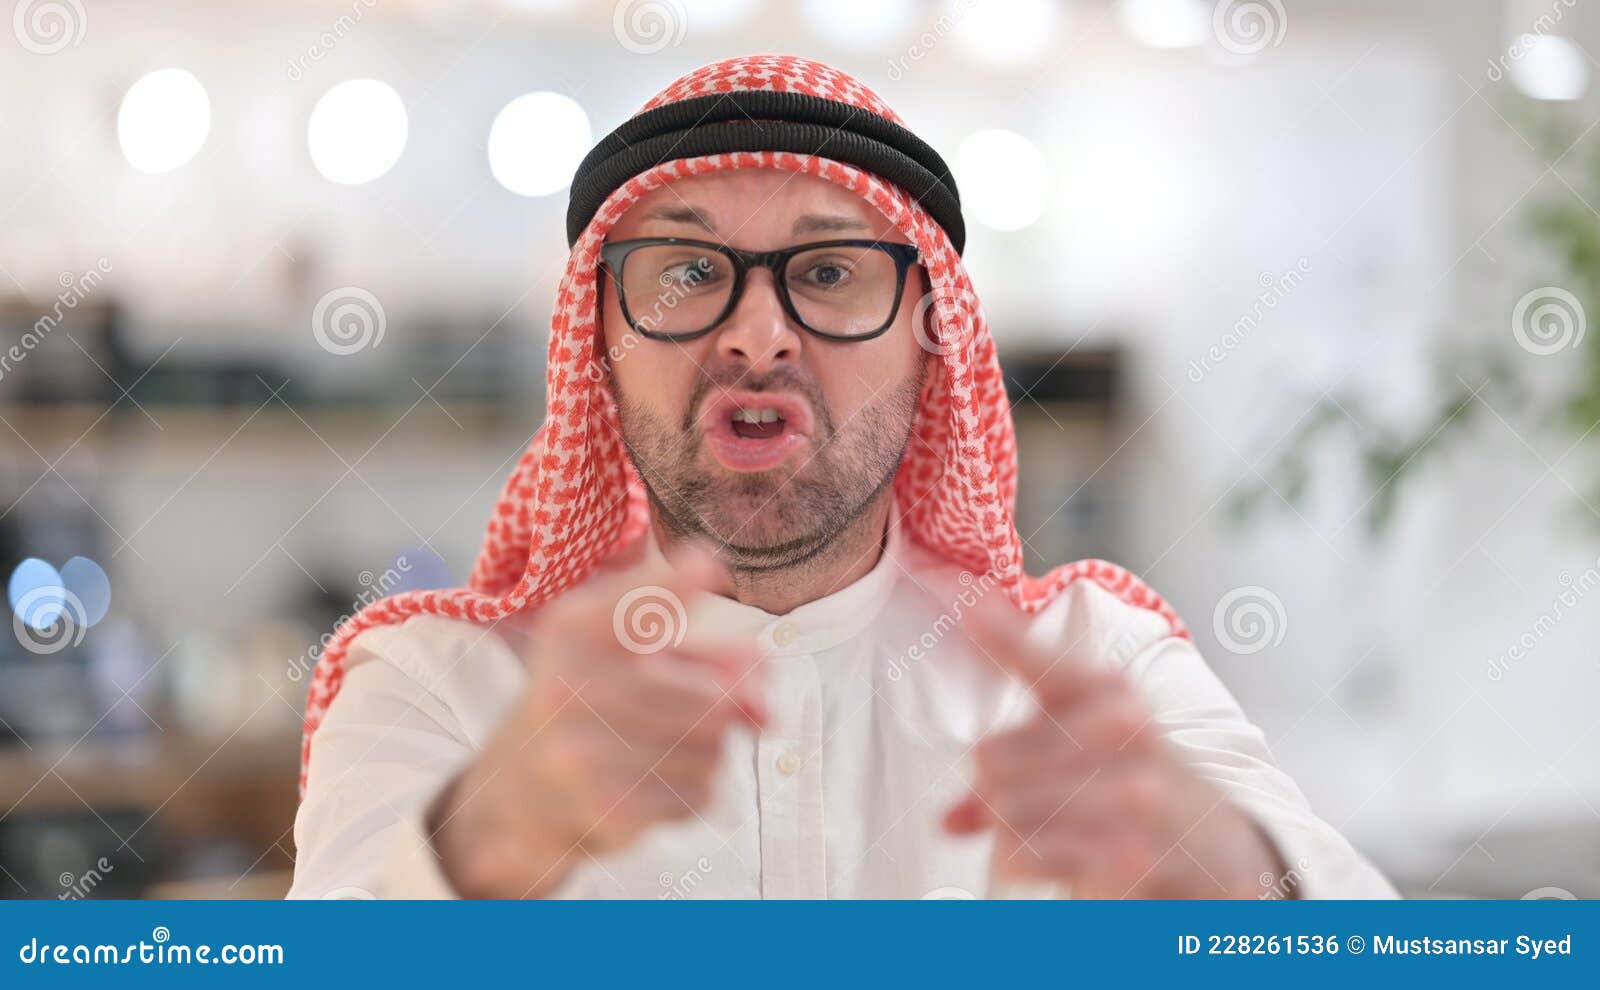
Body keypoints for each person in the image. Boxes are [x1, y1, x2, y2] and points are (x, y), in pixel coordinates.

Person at [289, 55, 1395, 900]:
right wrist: (479, 847)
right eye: (684, 272)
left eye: (826, 271)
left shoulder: (1095, 669)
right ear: (599, 340)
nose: (756, 337)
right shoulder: (436, 687)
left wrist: (1235, 880)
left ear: (930, 333)